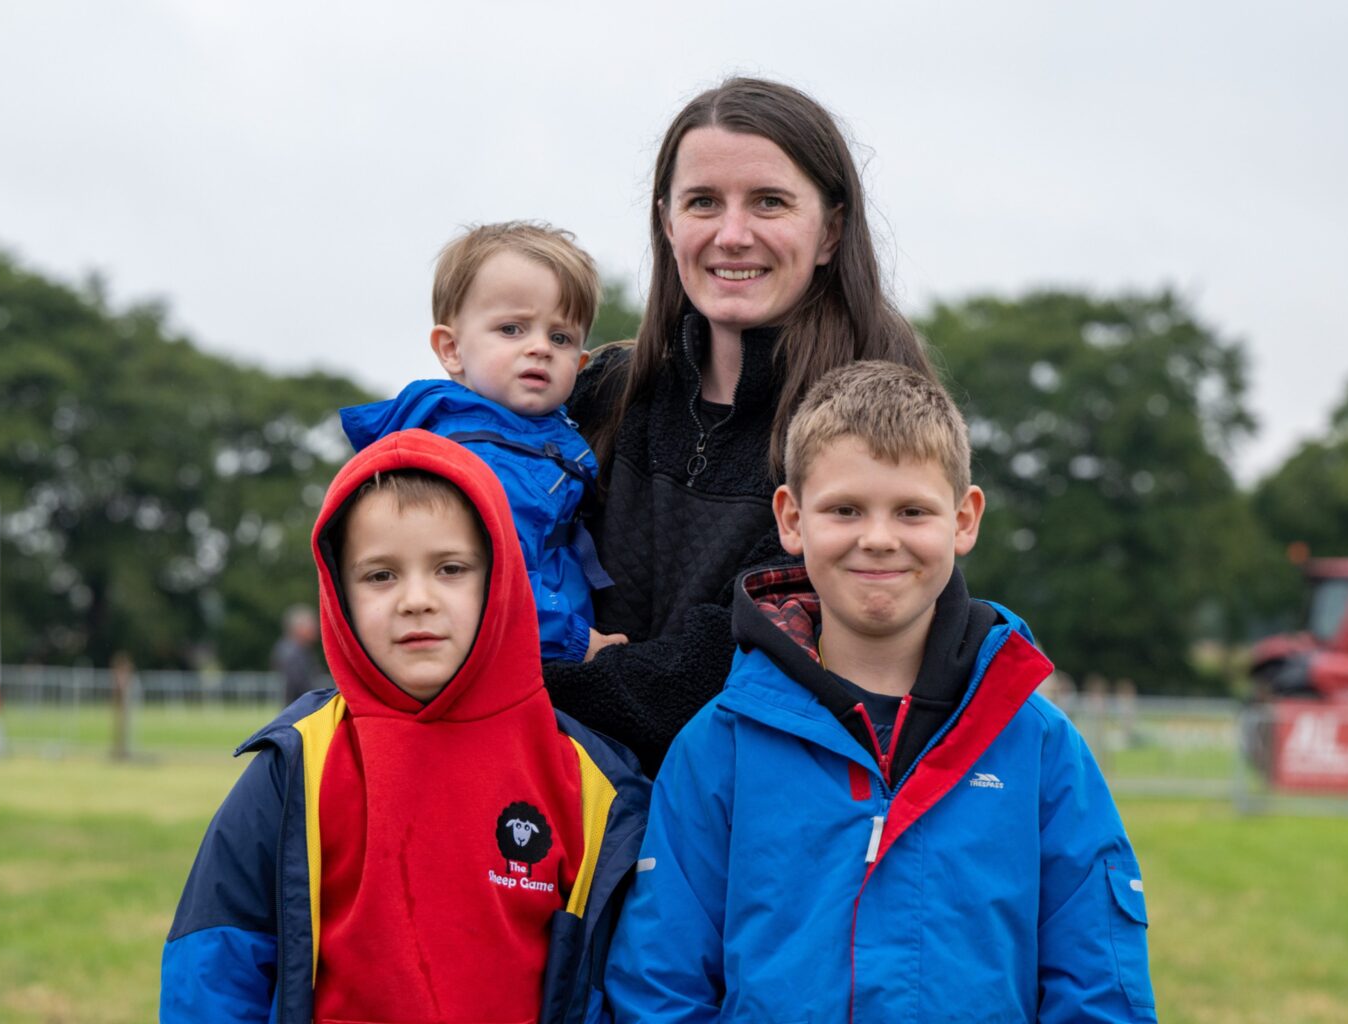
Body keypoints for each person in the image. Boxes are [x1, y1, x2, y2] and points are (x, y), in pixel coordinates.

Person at [604, 362, 1157, 1022]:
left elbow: (1097, 987)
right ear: (791, 518)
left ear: (963, 519)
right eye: (845, 509)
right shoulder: (718, 748)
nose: (877, 538)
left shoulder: (1038, 746)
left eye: (912, 511)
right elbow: (662, 988)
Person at [160, 429, 649, 1024]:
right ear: (337, 591)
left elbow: (629, 988)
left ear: (500, 576)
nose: (416, 599)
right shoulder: (296, 766)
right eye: (380, 576)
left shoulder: (590, 782)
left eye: (449, 568)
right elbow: (213, 972)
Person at [545, 77, 937, 775]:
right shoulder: (597, 394)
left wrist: (509, 684)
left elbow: (707, 679)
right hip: (564, 820)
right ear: (668, 225)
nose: (732, 235)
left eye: (769, 202)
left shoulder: (877, 433)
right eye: (703, 202)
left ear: (831, 231)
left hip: (759, 832)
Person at [341, 222, 627, 664]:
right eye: (512, 329)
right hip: (525, 663)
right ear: (451, 349)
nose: (540, 348)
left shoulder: (536, 438)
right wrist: (575, 642)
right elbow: (495, 582)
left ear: (581, 363)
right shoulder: (486, 461)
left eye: (560, 337)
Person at [271, 604, 320, 704]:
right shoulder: (292, 653)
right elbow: (300, 687)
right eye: (311, 625)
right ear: (299, 628)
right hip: (299, 710)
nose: (316, 629)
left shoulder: (298, 649)